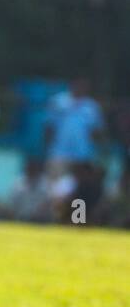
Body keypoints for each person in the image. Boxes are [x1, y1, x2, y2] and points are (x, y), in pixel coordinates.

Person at [43, 77, 105, 222]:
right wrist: (48, 149)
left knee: (80, 192)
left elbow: (96, 131)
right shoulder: (58, 102)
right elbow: (49, 127)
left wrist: (98, 152)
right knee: (56, 190)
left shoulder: (91, 107)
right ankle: (55, 219)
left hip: (81, 155)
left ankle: (78, 219)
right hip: (59, 153)